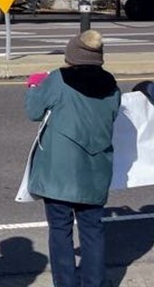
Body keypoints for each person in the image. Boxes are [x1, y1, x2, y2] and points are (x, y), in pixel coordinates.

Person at [25, 30, 120, 287]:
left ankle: (65, 283)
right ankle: (94, 282)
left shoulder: (58, 79)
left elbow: (33, 112)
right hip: (95, 171)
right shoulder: (111, 85)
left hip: (60, 173)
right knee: (93, 230)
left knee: (60, 230)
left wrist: (35, 87)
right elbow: (112, 116)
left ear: (72, 55)